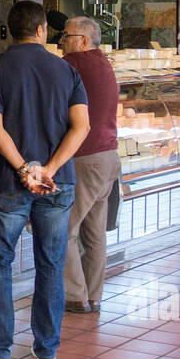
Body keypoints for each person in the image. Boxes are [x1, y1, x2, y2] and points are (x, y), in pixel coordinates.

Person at [0, 1, 90, 359]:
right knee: (50, 263)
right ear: (43, 29)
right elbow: (82, 127)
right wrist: (49, 169)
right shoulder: (66, 70)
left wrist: (24, 168)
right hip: (57, 184)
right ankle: (46, 348)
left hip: (9, 183)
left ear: (11, 30)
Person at [58, 17, 120, 314]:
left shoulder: (75, 63)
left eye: (66, 36)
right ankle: (93, 295)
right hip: (108, 156)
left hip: (86, 157)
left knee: (65, 228)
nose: (61, 41)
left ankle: (74, 295)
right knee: (94, 233)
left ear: (83, 41)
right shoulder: (101, 62)